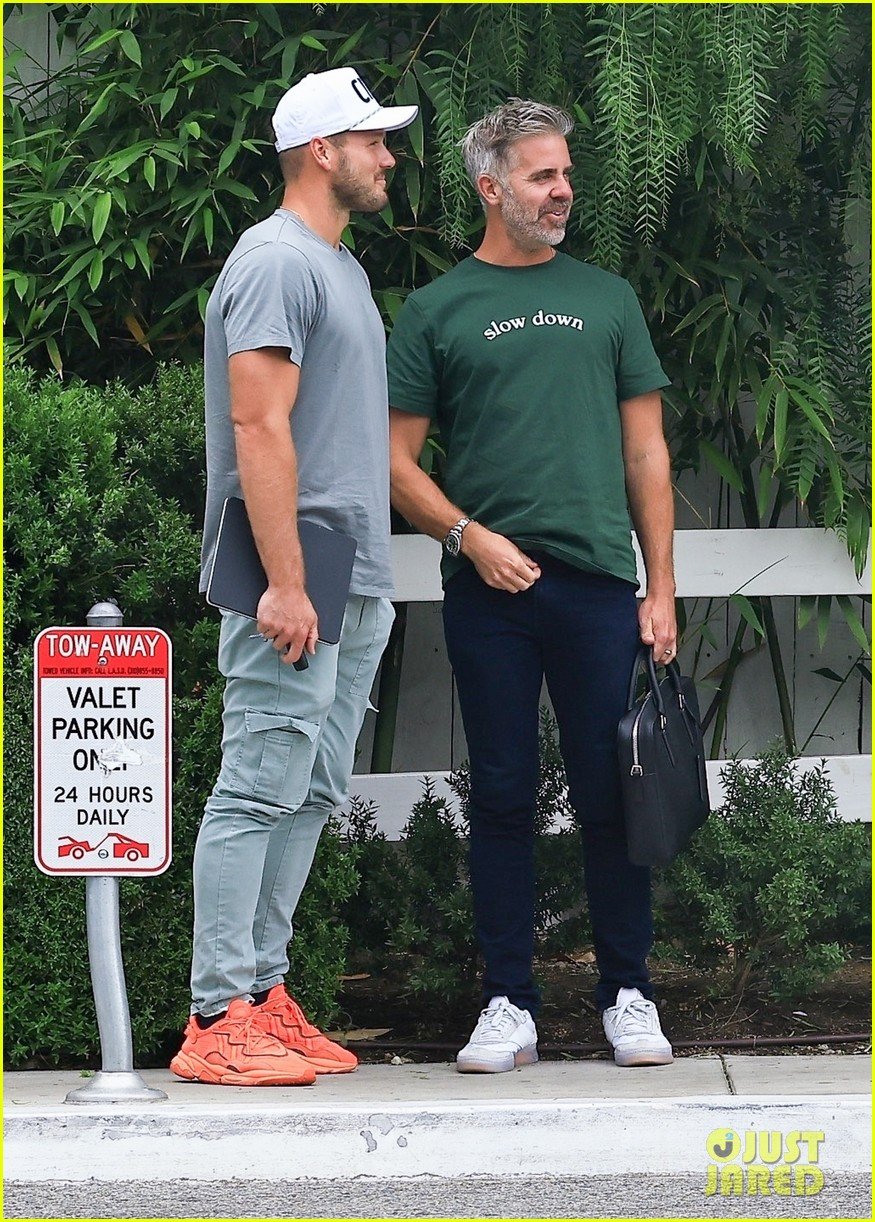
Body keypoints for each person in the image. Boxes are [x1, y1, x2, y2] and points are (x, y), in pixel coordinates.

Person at [387, 99, 676, 1073]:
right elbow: (394, 463)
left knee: (612, 793)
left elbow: (645, 451)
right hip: (490, 594)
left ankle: (626, 992)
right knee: (503, 793)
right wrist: (470, 539)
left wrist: (660, 587)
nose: (562, 191)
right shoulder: (435, 310)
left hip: (597, 587)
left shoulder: (607, 299)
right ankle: (507, 1001)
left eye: (564, 173)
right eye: (542, 175)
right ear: (490, 187)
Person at [171, 68, 417, 1087]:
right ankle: (213, 1015)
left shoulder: (340, 268)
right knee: (257, 784)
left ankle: (264, 995)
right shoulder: (274, 261)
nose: (389, 158)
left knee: (308, 787)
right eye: (374, 141)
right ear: (323, 149)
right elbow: (256, 423)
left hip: (349, 574)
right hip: (295, 578)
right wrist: (281, 583)